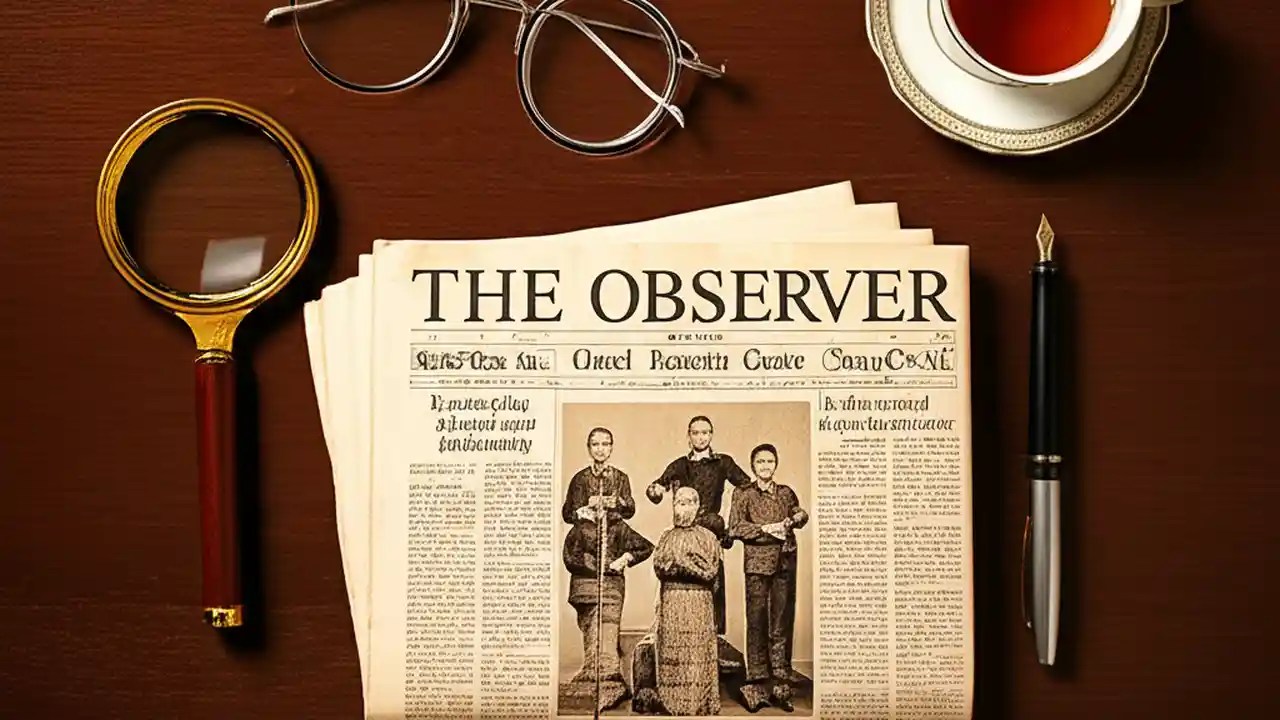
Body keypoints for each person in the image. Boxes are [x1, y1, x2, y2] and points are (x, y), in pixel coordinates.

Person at [561, 427, 653, 709]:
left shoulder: (620, 480)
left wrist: (616, 504)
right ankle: (591, 671)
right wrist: (583, 511)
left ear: (611, 447)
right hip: (586, 577)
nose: (600, 449)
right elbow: (567, 514)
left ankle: (610, 676)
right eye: (595, 444)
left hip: (612, 572)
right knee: (589, 625)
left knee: (609, 624)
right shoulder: (580, 480)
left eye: (605, 444)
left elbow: (631, 510)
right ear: (589, 448)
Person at [646, 415, 751, 649]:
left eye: (705, 432)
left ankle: (711, 639)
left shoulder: (723, 462)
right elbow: (657, 487)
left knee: (712, 582)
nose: (700, 437)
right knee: (675, 581)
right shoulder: (680, 465)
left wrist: (731, 523)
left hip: (711, 533)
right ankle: (676, 637)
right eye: (695, 432)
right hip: (683, 534)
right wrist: (654, 490)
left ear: (711, 435)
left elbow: (746, 486)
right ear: (688, 435)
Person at [727, 443, 808, 712]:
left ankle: (780, 679)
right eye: (760, 462)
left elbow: (798, 512)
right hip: (757, 565)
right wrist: (766, 530)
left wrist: (797, 517)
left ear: (776, 464)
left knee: (781, 622)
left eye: (770, 462)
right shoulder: (743, 493)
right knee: (758, 622)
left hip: (785, 562)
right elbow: (735, 527)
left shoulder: (785, 493)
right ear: (753, 466)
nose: (765, 467)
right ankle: (758, 680)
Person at [651, 487, 722, 716]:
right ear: (673, 506)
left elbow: (711, 572)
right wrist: (686, 565)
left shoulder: (708, 537)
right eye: (679, 502)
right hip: (672, 600)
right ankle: (672, 703)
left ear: (697, 506)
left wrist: (681, 564)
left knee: (697, 655)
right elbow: (660, 567)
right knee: (672, 653)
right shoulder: (666, 536)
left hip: (699, 602)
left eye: (689, 503)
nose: (684, 508)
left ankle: (699, 704)